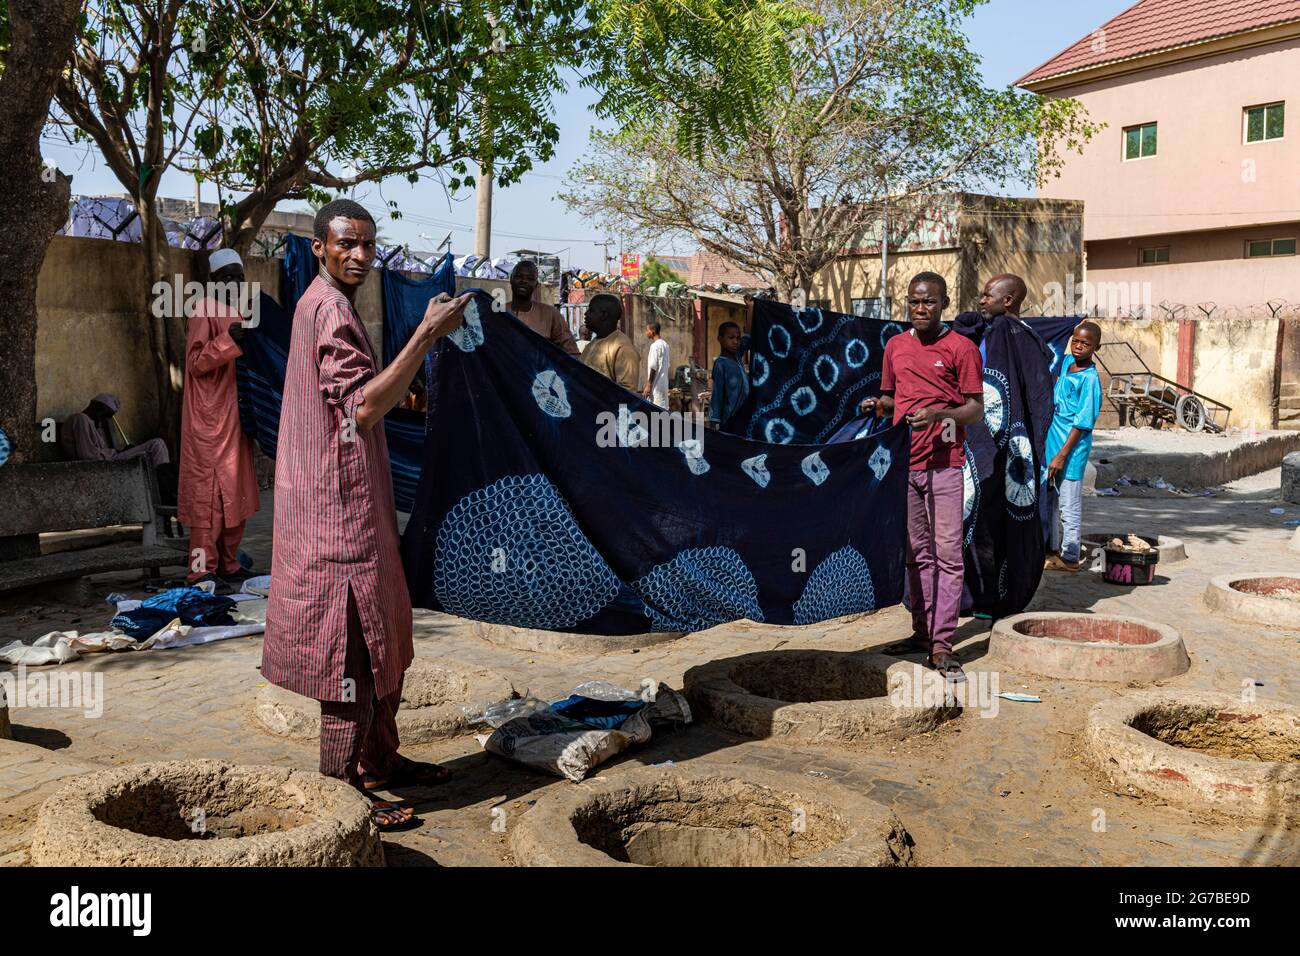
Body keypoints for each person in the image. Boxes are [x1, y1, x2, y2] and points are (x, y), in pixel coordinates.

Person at [261, 198, 470, 832]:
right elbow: (359, 409)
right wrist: (426, 336)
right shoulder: (325, 310)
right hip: (334, 518)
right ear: (320, 248)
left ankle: (380, 760)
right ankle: (342, 792)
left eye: (366, 245)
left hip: (357, 508)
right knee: (348, 653)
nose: (357, 255)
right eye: (345, 244)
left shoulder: (335, 305)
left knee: (386, 640)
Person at [860, 272, 983, 682]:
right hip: (904, 465)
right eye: (914, 302)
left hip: (945, 463)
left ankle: (943, 645)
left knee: (948, 555)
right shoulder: (895, 346)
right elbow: (894, 397)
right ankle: (921, 632)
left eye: (928, 301)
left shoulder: (961, 348)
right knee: (916, 555)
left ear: (944, 303)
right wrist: (879, 403)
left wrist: (939, 415)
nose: (920, 308)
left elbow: (974, 409)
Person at [178, 249, 260, 587]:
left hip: (235, 418)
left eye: (238, 277)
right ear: (213, 280)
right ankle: (201, 570)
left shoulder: (239, 311)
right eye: (226, 276)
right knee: (207, 499)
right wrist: (228, 340)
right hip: (208, 420)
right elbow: (196, 363)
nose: (233, 282)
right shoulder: (202, 309)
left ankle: (228, 564)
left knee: (235, 494)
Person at [1044, 322, 1103, 571]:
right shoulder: (1065, 362)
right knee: (1051, 501)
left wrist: (1062, 455)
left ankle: (1070, 556)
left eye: (1086, 344)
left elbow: (1082, 423)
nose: (1079, 347)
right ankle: (1053, 549)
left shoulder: (1089, 379)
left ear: (1096, 347)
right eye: (1076, 341)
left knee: (1069, 503)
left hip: (1070, 448)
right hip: (1051, 443)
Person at [59, 393, 174, 500]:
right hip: (106, 464)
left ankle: (165, 487)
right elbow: (88, 456)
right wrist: (115, 452)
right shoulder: (80, 419)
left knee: (158, 446)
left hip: (111, 459)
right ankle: (164, 491)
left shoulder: (91, 423)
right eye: (106, 414)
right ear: (97, 407)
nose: (105, 419)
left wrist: (121, 451)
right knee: (156, 444)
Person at [509, 260, 578, 355]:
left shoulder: (550, 314)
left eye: (530, 278)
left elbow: (572, 353)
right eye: (519, 277)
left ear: (536, 285)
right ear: (511, 280)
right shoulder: (498, 313)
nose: (524, 281)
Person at [579, 293, 641, 391]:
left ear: (604, 315)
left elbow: (627, 393)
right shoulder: (591, 345)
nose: (586, 314)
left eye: (591, 311)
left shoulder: (622, 347)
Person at [708, 321, 750, 428]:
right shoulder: (720, 364)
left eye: (738, 338)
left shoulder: (737, 357)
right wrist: (714, 424)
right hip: (730, 420)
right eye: (731, 338)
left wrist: (750, 308)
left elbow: (748, 335)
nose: (735, 341)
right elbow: (717, 396)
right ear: (720, 339)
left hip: (745, 418)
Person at [642, 320, 670, 407]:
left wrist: (648, 385)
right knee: (663, 412)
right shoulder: (665, 345)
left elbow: (653, 367)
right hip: (664, 386)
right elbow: (667, 365)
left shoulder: (654, 346)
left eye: (647, 330)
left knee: (656, 414)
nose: (646, 333)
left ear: (652, 331)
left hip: (656, 387)